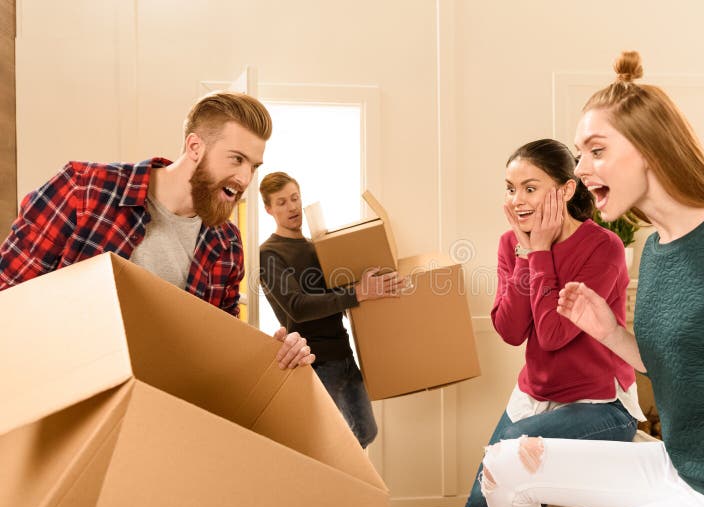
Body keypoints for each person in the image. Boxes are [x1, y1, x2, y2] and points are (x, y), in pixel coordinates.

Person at [482, 51, 704, 507]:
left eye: (597, 151)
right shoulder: (655, 248)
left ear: (649, 149)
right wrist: (609, 332)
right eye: (579, 153)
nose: (582, 169)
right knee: (502, 469)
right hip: (681, 466)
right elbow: (672, 366)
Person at [0, 91, 313, 370]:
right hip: (59, 394)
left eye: (253, 166)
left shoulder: (227, 244)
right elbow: (9, 295)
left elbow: (217, 351)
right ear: (195, 147)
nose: (245, 178)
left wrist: (270, 358)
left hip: (152, 414)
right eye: (236, 159)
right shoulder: (84, 190)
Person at [455, 139, 644, 507]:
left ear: (566, 189)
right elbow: (509, 330)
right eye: (510, 188)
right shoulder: (512, 243)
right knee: (485, 499)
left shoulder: (602, 247)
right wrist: (527, 254)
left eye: (530, 187)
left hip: (600, 403)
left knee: (504, 468)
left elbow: (554, 334)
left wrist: (538, 253)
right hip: (534, 399)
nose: (518, 200)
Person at [258, 171, 405, 447]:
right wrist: (358, 292)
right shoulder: (269, 253)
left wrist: (366, 285)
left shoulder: (317, 247)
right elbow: (297, 307)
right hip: (316, 363)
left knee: (366, 432)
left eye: (294, 198)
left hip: (344, 354)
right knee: (329, 445)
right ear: (268, 209)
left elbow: (339, 295)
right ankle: (335, 489)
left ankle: (347, 486)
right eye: (281, 202)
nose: (291, 207)